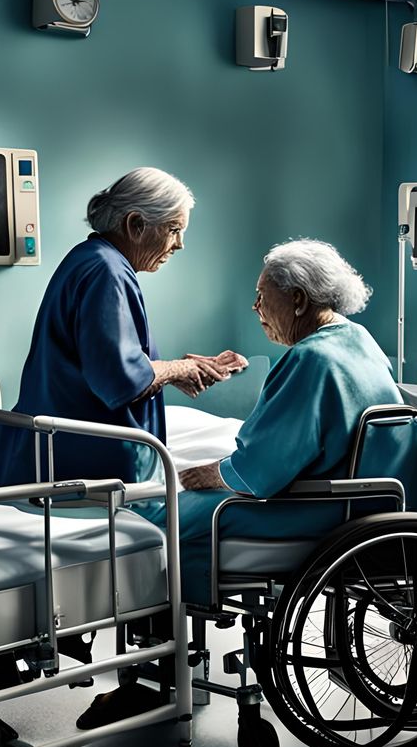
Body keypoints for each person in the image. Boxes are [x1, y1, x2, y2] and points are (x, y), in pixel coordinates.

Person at [145, 238, 403, 604]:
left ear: (297, 300)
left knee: (165, 514)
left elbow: (262, 465)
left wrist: (211, 474)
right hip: (364, 502)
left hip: (318, 512)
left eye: (262, 296)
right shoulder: (359, 339)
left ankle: (170, 628)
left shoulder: (309, 358)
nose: (255, 307)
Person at [0, 167, 247, 489]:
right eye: (174, 229)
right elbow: (121, 381)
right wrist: (178, 369)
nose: (179, 244)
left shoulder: (90, 259)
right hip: (79, 466)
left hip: (53, 450)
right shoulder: (106, 272)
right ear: (135, 225)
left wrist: (176, 370)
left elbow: (106, 364)